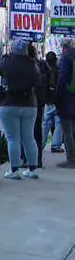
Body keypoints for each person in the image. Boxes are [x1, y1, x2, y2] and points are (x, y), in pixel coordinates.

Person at [0, 38, 40, 179]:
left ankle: (14, 170)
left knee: (12, 138)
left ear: (12, 48)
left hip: (8, 103)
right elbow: (37, 81)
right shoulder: (32, 63)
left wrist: (4, 56)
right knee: (29, 137)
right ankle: (32, 169)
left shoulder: (7, 61)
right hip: (29, 104)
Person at [55, 38, 75, 168]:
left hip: (68, 99)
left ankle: (71, 159)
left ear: (63, 47)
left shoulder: (65, 58)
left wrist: (57, 98)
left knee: (67, 131)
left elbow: (61, 79)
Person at [31, 44, 50, 168]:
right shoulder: (43, 65)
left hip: (29, 101)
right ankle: (37, 159)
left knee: (27, 131)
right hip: (40, 101)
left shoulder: (28, 66)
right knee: (37, 129)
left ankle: (27, 157)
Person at [42, 51, 63, 153]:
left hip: (48, 100)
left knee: (46, 122)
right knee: (59, 122)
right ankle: (56, 145)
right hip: (58, 100)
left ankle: (41, 142)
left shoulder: (45, 71)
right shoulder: (59, 71)